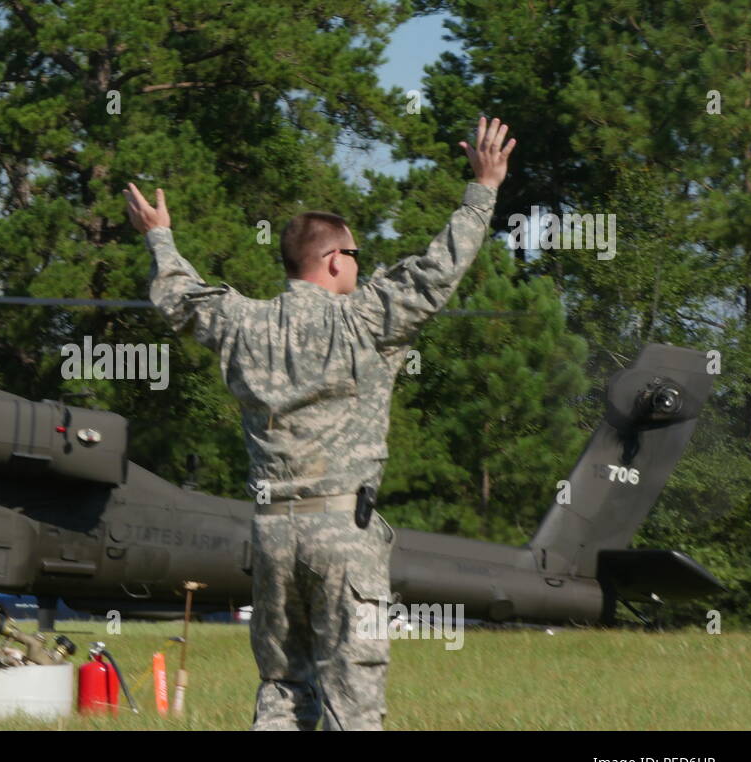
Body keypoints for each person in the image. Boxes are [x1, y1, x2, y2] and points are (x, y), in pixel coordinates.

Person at [125, 116, 516, 730]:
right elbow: (437, 272)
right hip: (342, 538)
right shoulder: (365, 319)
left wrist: (160, 237)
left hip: (271, 538)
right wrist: (483, 189)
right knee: (352, 698)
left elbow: (177, 296)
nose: (361, 266)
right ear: (333, 259)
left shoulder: (242, 323)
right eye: (355, 255)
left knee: (283, 689)